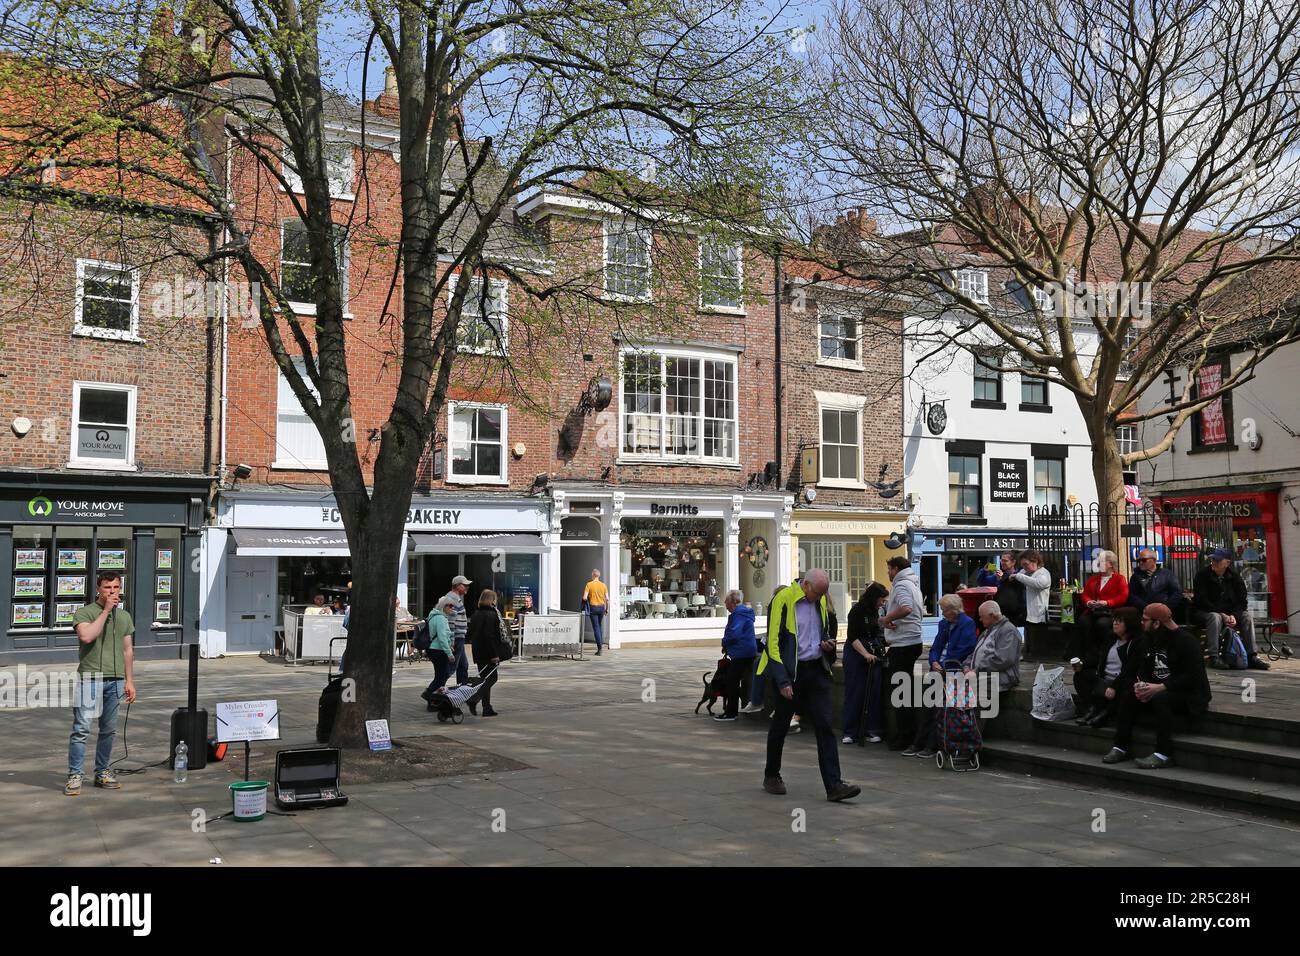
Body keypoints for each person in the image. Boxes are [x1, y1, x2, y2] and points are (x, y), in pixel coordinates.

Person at [757, 569, 861, 802]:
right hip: (790, 672)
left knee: (825, 726)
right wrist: (782, 680)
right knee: (781, 725)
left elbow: (820, 633)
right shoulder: (782, 600)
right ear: (805, 585)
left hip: (815, 670)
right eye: (817, 593)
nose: (819, 598)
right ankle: (771, 775)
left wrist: (828, 646)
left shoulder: (820, 600)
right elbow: (772, 644)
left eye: (823, 594)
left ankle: (834, 785)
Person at [1102, 602, 1212, 769]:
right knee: (1129, 693)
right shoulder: (1150, 638)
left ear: (1157, 623)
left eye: (1145, 620)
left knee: (1162, 698)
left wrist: (1161, 687)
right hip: (1157, 688)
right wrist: (1142, 684)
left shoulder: (1187, 641)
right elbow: (1143, 666)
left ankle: (1163, 753)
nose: (1141, 623)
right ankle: (1120, 746)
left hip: (1187, 694)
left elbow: (1192, 677)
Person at [65, 571, 137, 795]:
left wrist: (129, 680)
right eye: (107, 588)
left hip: (115, 680)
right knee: (82, 729)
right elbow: (87, 636)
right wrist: (106, 611)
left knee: (109, 730)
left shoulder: (124, 616)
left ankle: (102, 771)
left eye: (116, 588)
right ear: (98, 589)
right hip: (90, 678)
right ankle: (75, 774)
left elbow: (127, 650)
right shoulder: (85, 612)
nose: (112, 592)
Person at [903, 594, 977, 757]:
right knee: (927, 707)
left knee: (941, 710)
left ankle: (932, 745)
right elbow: (936, 646)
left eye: (944, 611)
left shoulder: (967, 624)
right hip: (939, 669)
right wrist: (934, 661)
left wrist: (943, 665)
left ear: (954, 610)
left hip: (952, 670)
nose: (942, 614)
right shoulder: (944, 624)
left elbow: (965, 649)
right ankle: (919, 743)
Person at [1193, 549, 1269, 670]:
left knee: (1246, 617)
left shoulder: (1235, 578)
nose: (1213, 562)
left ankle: (1251, 656)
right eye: (1212, 559)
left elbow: (1242, 601)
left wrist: (1234, 615)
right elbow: (1201, 600)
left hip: (1230, 614)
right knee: (1214, 616)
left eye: (1217, 560)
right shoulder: (1202, 575)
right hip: (1206, 613)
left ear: (1227, 563)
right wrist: (1221, 614)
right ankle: (1214, 656)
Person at [881, 556, 924, 750]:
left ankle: (905, 736)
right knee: (905, 690)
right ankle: (908, 733)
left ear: (896, 569)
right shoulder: (913, 584)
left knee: (900, 693)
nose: (888, 573)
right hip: (912, 641)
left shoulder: (901, 586)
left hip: (903, 643)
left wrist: (886, 618)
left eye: (889, 569)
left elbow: (906, 608)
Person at [842, 582, 890, 745]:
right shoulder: (856, 611)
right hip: (856, 652)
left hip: (870, 650)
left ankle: (872, 729)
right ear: (874, 598)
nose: (883, 603)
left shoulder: (875, 611)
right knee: (855, 692)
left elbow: (874, 630)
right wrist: (865, 654)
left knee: (874, 693)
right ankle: (850, 731)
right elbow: (852, 636)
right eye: (882, 600)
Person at [1074, 605, 1138, 728]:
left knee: (1123, 686)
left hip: (1120, 679)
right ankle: (1092, 709)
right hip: (1105, 676)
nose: (1115, 624)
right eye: (1114, 620)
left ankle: (1105, 713)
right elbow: (1100, 658)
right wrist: (1082, 664)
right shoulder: (1111, 639)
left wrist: (1114, 685)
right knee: (1082, 675)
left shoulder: (1135, 643)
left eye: (1119, 621)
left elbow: (1130, 668)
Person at [1071, 550, 1128, 666]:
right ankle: (1087, 654)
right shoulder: (1094, 579)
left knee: (1102, 624)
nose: (1097, 564)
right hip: (1094, 610)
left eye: (1101, 561)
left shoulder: (1119, 579)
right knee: (1084, 621)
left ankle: (1103, 653)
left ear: (1110, 564)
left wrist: (1107, 602)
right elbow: (1085, 594)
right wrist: (1088, 602)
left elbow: (1123, 596)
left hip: (1110, 611)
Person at [970, 600, 1022, 706]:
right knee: (954, 690)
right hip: (980, 674)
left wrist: (977, 670)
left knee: (972, 696)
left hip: (1000, 677)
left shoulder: (1008, 631)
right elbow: (975, 652)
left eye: (982, 616)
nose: (980, 620)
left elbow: (1004, 659)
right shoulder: (987, 631)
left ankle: (971, 720)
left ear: (992, 616)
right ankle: (955, 719)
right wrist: (966, 666)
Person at [717, 589, 757, 721]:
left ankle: (731, 712)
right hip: (747, 651)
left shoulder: (738, 615)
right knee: (745, 680)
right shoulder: (744, 613)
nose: (725, 603)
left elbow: (734, 634)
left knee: (731, 681)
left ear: (733, 602)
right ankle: (746, 706)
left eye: (727, 600)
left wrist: (724, 642)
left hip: (741, 653)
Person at [466, 589, 504, 717]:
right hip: (488, 652)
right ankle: (474, 699)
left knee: (484, 678)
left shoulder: (476, 614)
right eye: (494, 599)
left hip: (478, 651)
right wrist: (494, 654)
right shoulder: (491, 615)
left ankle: (487, 707)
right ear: (492, 600)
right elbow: (489, 636)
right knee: (492, 678)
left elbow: (470, 634)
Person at [419, 595, 456, 707]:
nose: (452, 608)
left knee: (441, 675)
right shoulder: (440, 618)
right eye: (450, 606)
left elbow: (444, 636)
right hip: (438, 650)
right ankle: (429, 694)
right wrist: (449, 653)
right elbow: (442, 637)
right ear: (443, 606)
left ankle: (434, 701)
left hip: (434, 649)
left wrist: (450, 645)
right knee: (441, 677)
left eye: (453, 606)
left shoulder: (435, 616)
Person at [1129, 549, 1184, 616]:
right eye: (1138, 560)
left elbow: (1177, 592)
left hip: (1164, 612)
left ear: (1154, 560)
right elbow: (1132, 596)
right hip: (1143, 611)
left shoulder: (1166, 574)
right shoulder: (1135, 576)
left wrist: (1165, 608)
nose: (1140, 562)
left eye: (1144, 560)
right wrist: (1146, 607)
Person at [440, 575, 472, 685]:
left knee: (463, 666)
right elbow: (450, 622)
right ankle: (433, 690)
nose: (467, 587)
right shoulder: (452, 599)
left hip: (459, 638)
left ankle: (462, 692)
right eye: (465, 585)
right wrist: (451, 641)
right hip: (456, 639)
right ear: (458, 586)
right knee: (451, 667)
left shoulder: (454, 598)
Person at [1012, 550, 1051, 626]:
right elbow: (1020, 575)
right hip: (1026, 615)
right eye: (1022, 565)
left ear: (1035, 561)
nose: (1024, 567)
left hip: (1038, 617)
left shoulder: (1043, 573)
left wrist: (1018, 576)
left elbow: (1038, 583)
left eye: (1026, 564)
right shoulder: (1025, 572)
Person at [992, 551, 1027, 628]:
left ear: (1013, 562)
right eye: (1001, 560)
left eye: (1005, 561)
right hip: (1002, 615)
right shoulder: (1000, 576)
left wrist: (1002, 579)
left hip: (1015, 617)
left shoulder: (1020, 576)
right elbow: (982, 581)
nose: (1002, 562)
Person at [582, 569, 609, 656]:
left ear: (593, 575)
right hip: (601, 608)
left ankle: (600, 649)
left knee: (596, 627)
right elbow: (607, 599)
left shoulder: (589, 584)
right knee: (599, 626)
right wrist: (606, 609)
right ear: (599, 575)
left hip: (593, 608)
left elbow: (584, 597)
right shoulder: (603, 585)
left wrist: (588, 598)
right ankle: (600, 646)